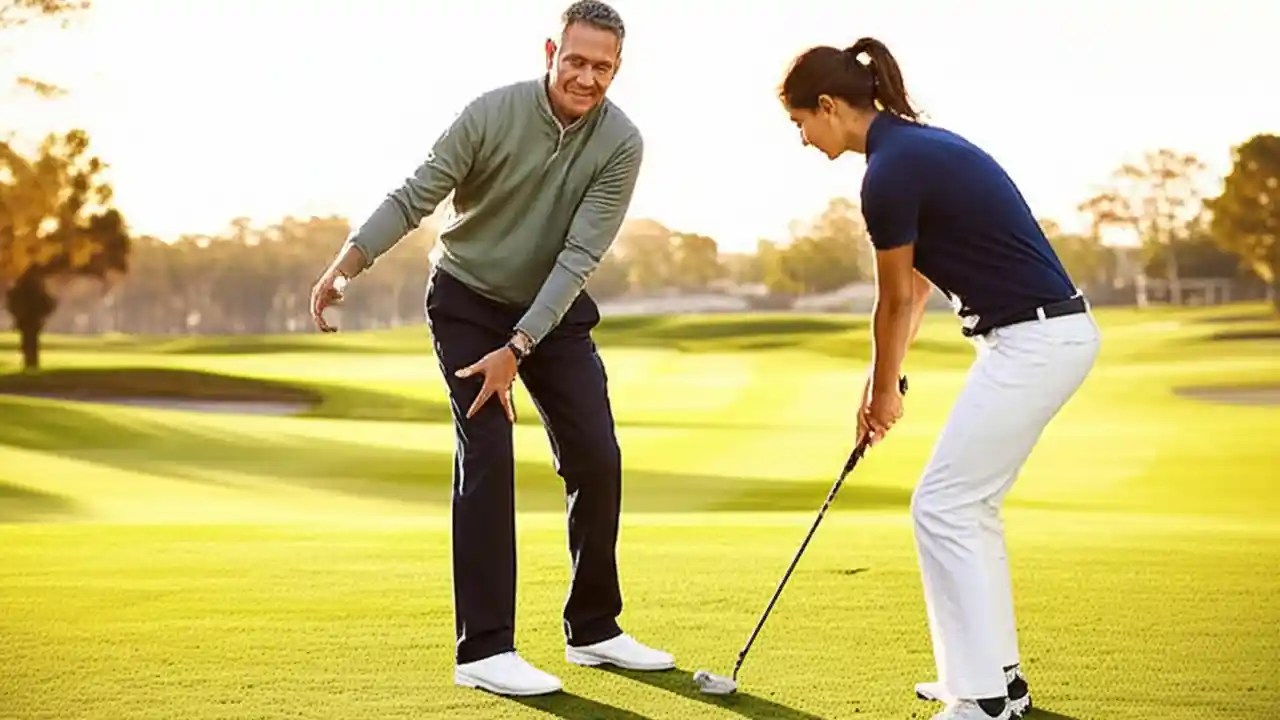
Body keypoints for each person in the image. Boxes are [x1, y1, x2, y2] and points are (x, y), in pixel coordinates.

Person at [307, 0, 673, 698]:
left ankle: (594, 628)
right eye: (576, 61)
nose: (587, 78)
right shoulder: (490, 113)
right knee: (488, 454)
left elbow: (579, 256)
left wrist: (521, 344)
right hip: (468, 302)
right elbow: (414, 196)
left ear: (618, 68)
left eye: (602, 67)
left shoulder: (621, 142)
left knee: (597, 456)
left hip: (550, 312)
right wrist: (345, 265)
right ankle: (483, 649)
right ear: (550, 53)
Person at [777, 37, 1101, 720]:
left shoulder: (890, 172)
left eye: (800, 122)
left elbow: (894, 298)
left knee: (943, 506)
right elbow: (921, 289)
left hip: (1035, 341)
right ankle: (994, 680)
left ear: (828, 106)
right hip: (1043, 336)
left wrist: (880, 392)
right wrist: (884, 385)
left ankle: (981, 698)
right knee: (966, 507)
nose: (802, 139)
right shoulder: (916, 149)